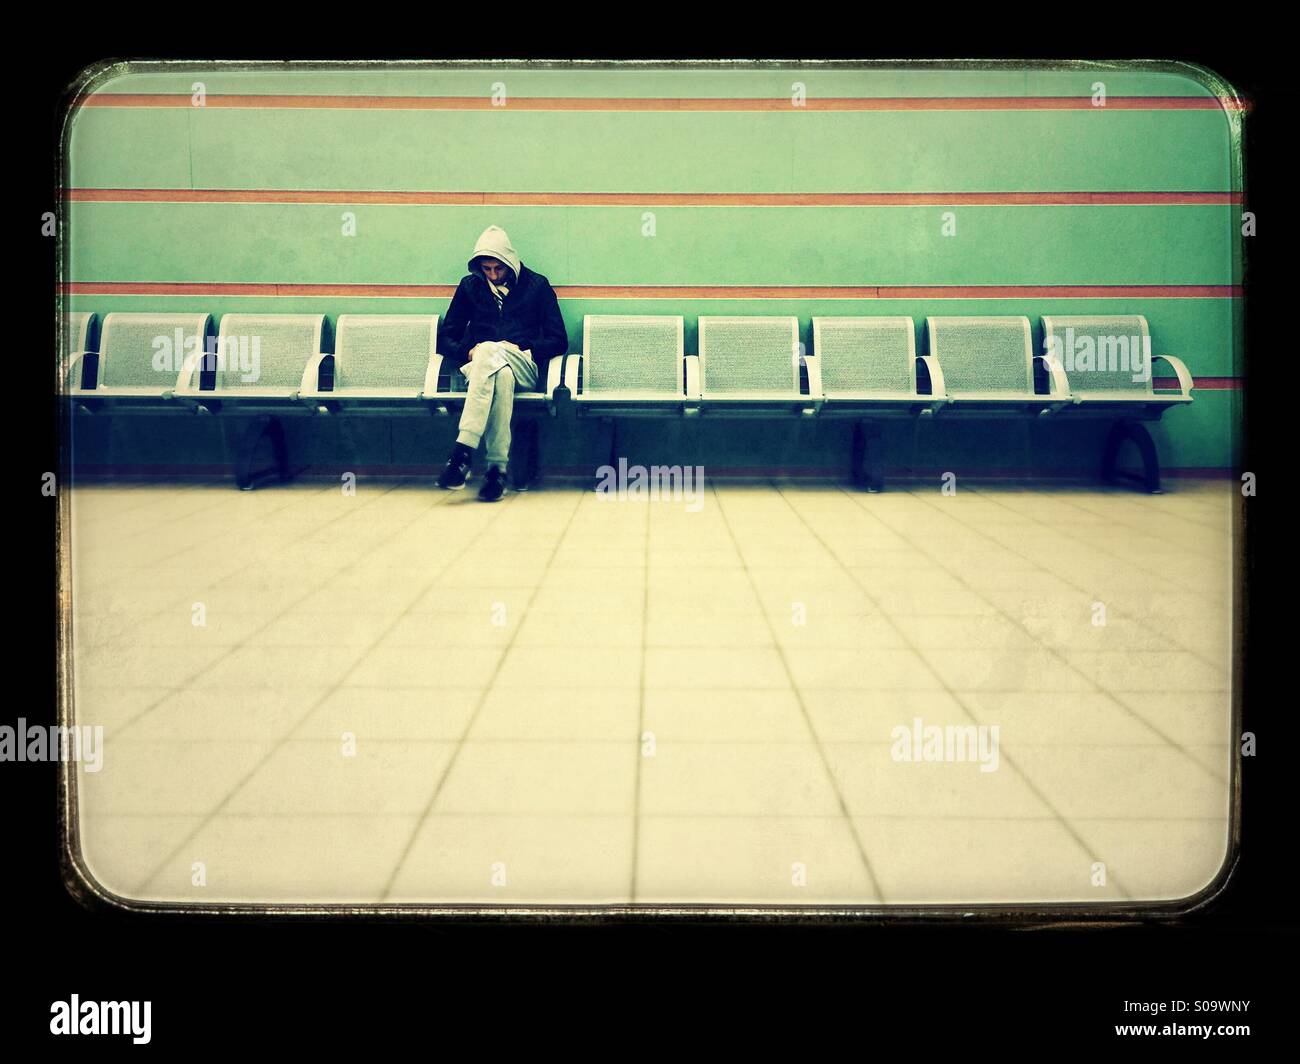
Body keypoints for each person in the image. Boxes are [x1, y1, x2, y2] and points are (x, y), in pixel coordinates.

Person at [435, 226, 568, 501]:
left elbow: (559, 340)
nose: (493, 275)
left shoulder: (537, 286)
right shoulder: (469, 287)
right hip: (482, 365)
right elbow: (446, 337)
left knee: (494, 355)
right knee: (497, 369)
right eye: (487, 269)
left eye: (499, 268)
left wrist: (526, 349)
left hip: (523, 364)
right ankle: (497, 470)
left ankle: (463, 450)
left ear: (510, 262)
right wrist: (468, 352)